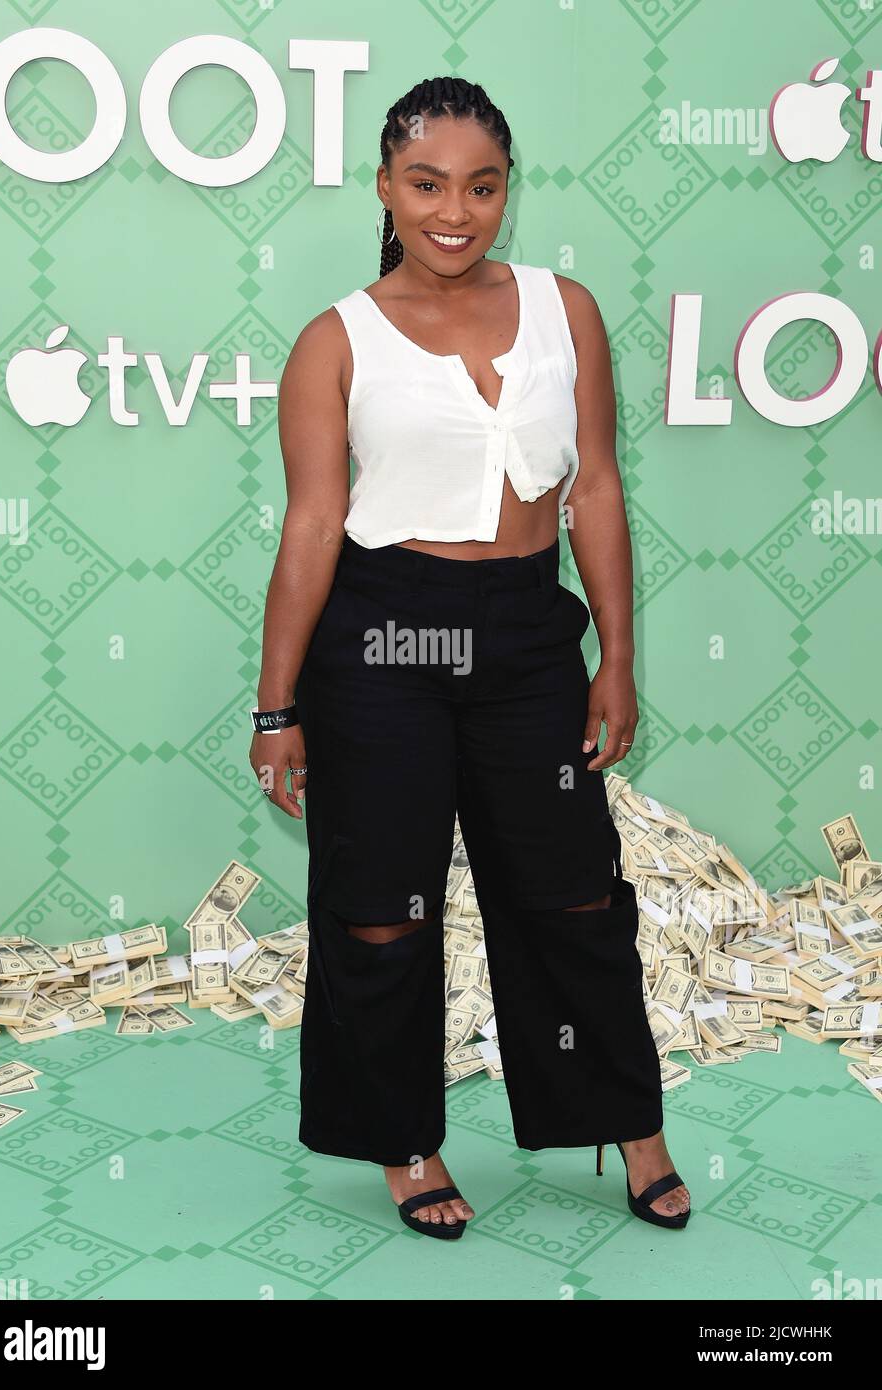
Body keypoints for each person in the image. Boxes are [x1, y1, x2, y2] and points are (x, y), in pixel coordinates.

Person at [249, 76, 691, 1239]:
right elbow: (308, 530)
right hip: (385, 633)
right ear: (386, 189)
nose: (456, 210)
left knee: (575, 893)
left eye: (481, 186)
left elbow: (594, 487)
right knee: (382, 905)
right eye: (427, 183)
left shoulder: (565, 309)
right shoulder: (333, 342)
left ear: (507, 191)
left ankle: (626, 1120)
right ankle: (404, 1138)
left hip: (525, 629)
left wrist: (615, 655)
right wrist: (274, 706)